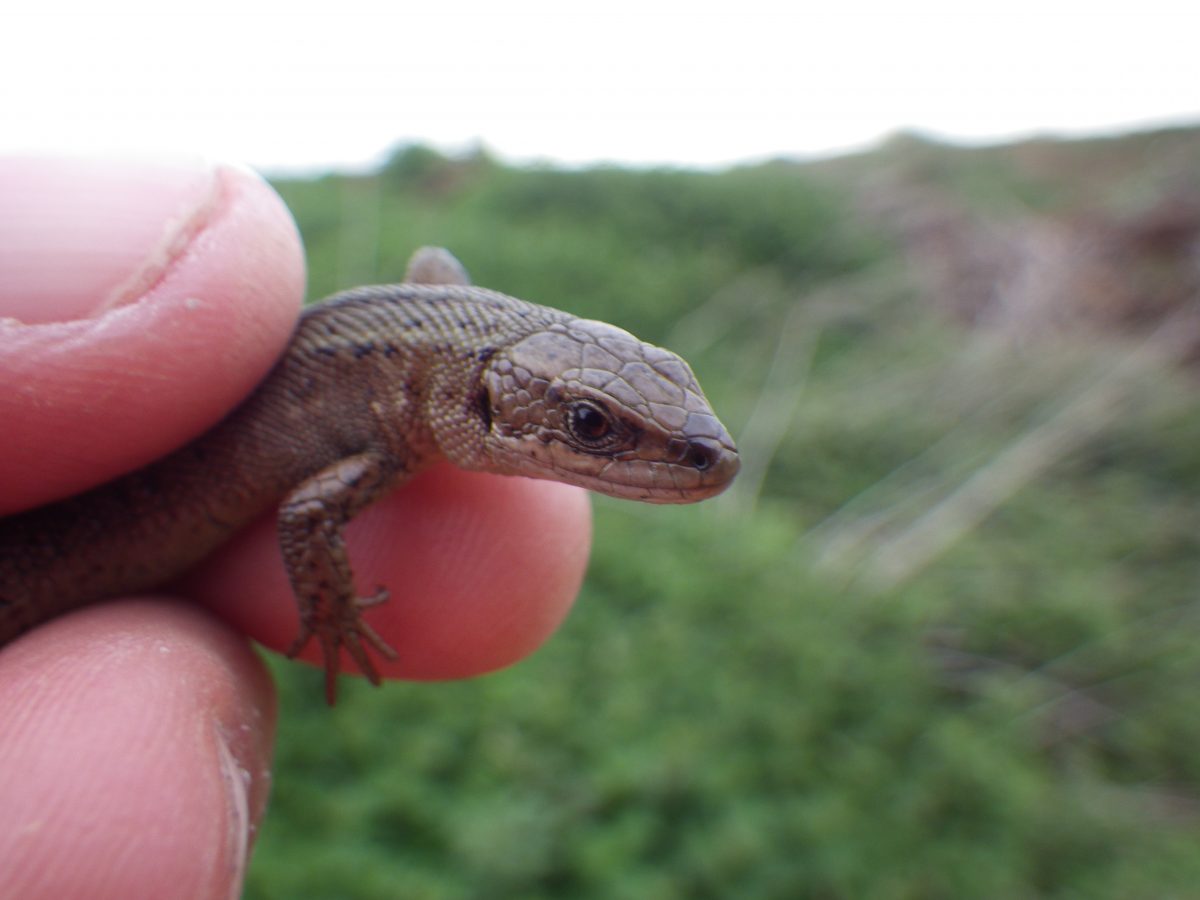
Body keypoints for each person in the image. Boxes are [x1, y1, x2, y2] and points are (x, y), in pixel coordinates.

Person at [0, 155, 591, 898]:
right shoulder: (393, 442)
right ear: (482, 400)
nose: (681, 462)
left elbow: (434, 265)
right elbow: (308, 513)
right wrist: (331, 612)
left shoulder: (426, 404)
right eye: (590, 425)